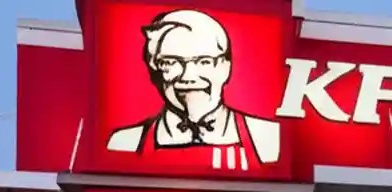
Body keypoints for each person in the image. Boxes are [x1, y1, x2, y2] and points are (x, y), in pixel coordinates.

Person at [105, 8, 279, 170]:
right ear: (155, 69)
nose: (188, 77)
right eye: (170, 62)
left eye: (204, 62)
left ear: (225, 68)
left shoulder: (266, 136)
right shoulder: (126, 142)